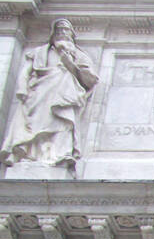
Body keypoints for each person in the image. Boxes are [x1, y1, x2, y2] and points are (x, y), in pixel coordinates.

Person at [1, 19, 99, 170]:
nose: (62, 33)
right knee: (34, 122)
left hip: (65, 94)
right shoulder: (39, 52)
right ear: (53, 35)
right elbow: (25, 72)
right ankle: (31, 154)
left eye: (65, 30)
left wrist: (69, 63)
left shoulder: (78, 54)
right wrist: (21, 88)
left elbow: (89, 79)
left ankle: (58, 154)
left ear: (72, 35)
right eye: (58, 30)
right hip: (39, 92)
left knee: (63, 120)